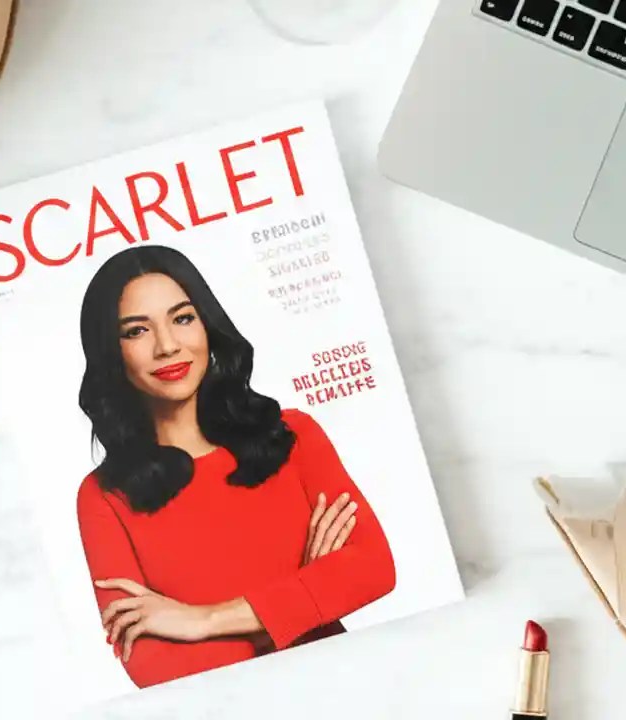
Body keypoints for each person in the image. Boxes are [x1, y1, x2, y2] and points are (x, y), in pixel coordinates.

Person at [74, 245, 396, 688]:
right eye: (136, 331)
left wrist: (201, 620)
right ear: (111, 351)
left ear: (207, 324)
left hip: (348, 689)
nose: (167, 346)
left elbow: (374, 568)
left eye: (182, 318)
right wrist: (305, 599)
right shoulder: (105, 495)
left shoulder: (292, 435)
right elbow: (152, 666)